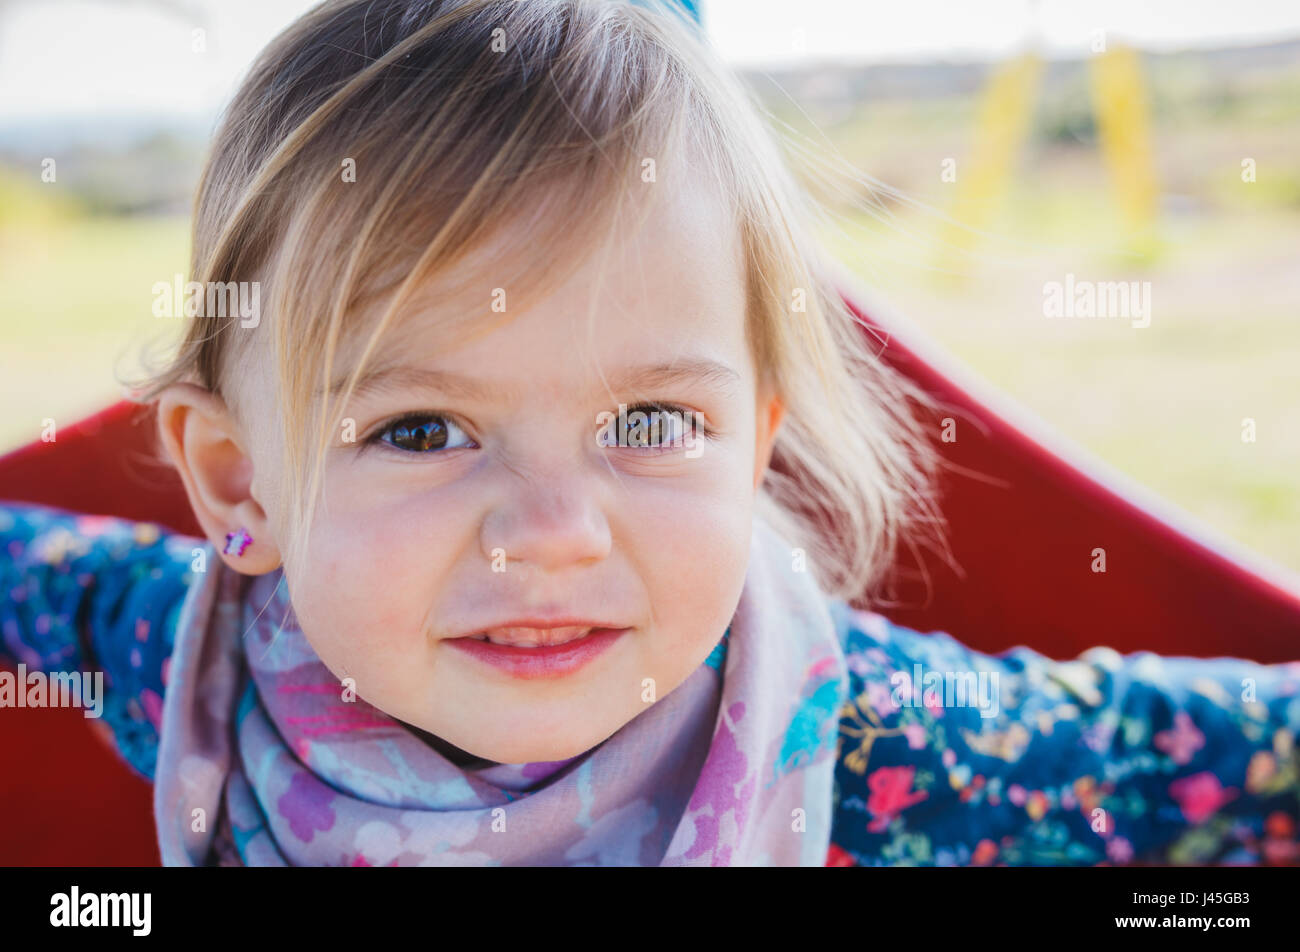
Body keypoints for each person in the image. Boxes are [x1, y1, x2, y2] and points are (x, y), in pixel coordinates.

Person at [2, 0, 1297, 866]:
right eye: (422, 430)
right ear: (239, 481)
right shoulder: (190, 655)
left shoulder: (876, 734)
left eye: (655, 421)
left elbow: (1196, 752)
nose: (553, 536)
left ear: (754, 444)